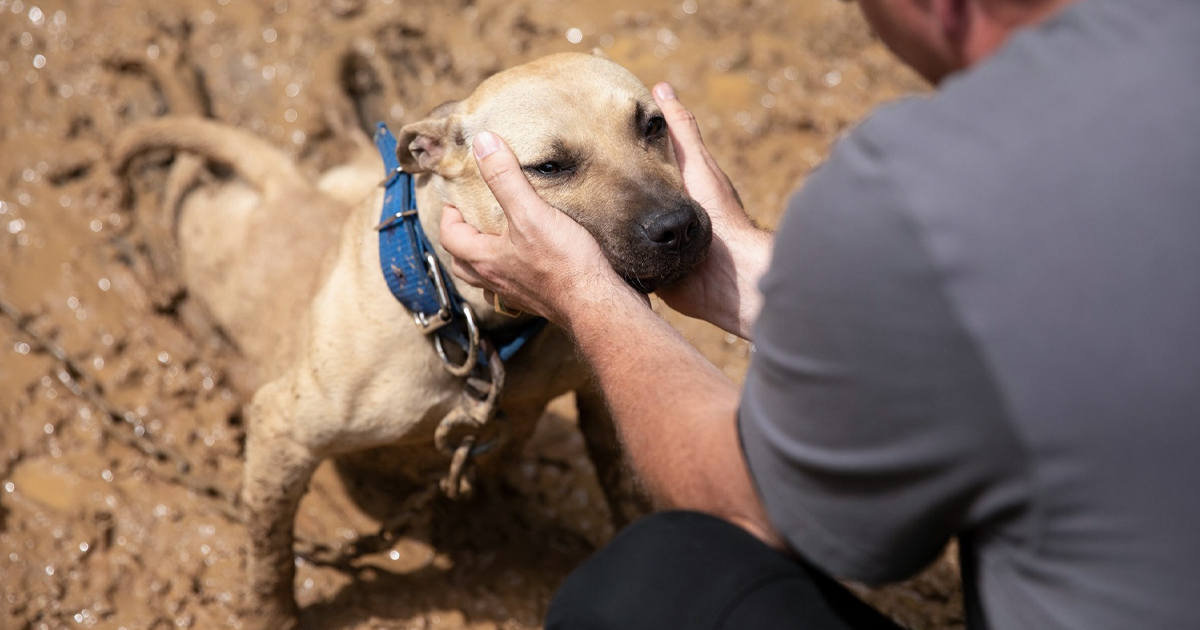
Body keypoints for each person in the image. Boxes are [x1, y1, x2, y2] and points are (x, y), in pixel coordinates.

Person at [440, 0, 1200, 628]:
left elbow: (757, 507)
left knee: (656, 582)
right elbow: (1028, 325)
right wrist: (743, 276)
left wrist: (584, 297)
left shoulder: (922, 186)